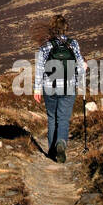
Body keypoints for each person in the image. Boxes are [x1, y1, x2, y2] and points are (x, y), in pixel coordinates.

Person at [31, 13, 86, 163]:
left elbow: (40, 68)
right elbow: (81, 67)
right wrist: (79, 78)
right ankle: (61, 142)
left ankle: (51, 151)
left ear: (52, 28)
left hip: (50, 86)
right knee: (63, 118)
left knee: (51, 118)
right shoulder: (73, 44)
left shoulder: (45, 45)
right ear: (65, 28)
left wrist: (37, 89)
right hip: (68, 87)